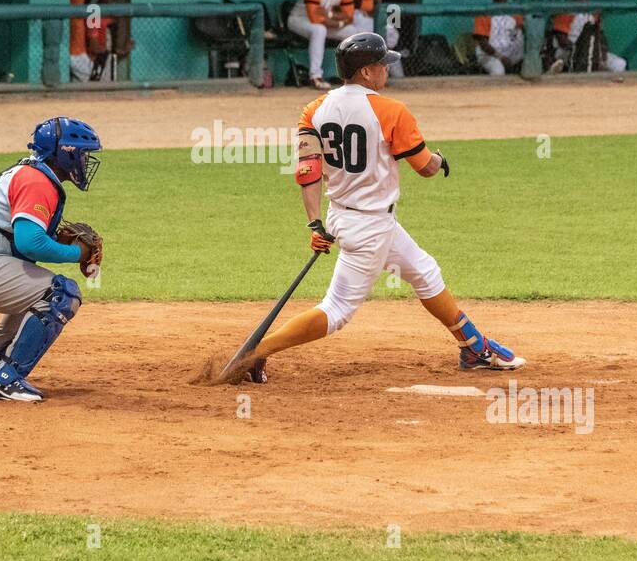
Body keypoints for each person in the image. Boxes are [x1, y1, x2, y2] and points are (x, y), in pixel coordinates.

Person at [219, 32, 524, 386]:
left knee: (425, 272)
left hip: (345, 216)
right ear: (366, 72)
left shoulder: (314, 110)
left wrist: (315, 224)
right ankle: (258, 350)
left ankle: (473, 346)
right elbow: (424, 167)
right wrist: (440, 159)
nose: (386, 71)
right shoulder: (391, 111)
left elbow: (308, 171)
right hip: (371, 227)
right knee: (336, 311)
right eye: (381, 64)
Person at [0, 117, 103, 403]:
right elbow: (30, 243)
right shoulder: (37, 180)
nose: (85, 161)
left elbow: (23, 251)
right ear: (66, 153)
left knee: (33, 286)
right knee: (61, 293)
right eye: (83, 154)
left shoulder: (32, 173)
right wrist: (78, 253)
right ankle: (6, 379)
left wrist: (54, 242)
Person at [288, 0, 359, 89]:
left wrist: (331, 16)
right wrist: (338, 19)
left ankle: (349, 75)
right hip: (299, 19)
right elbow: (315, 18)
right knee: (319, 30)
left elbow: (350, 15)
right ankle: (315, 76)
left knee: (352, 32)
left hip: (328, 23)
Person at [548, 0, 627, 73]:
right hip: (568, 51)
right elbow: (561, 39)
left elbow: (601, 36)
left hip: (591, 50)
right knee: (565, 61)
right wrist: (578, 50)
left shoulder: (594, 11)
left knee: (620, 64)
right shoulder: (566, 10)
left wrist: (602, 52)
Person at [473, 0, 524, 76]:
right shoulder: (484, 13)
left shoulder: (515, 14)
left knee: (528, 65)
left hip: (510, 52)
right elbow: (483, 43)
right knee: (498, 71)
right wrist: (501, 57)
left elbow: (516, 36)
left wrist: (513, 54)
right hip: (489, 55)